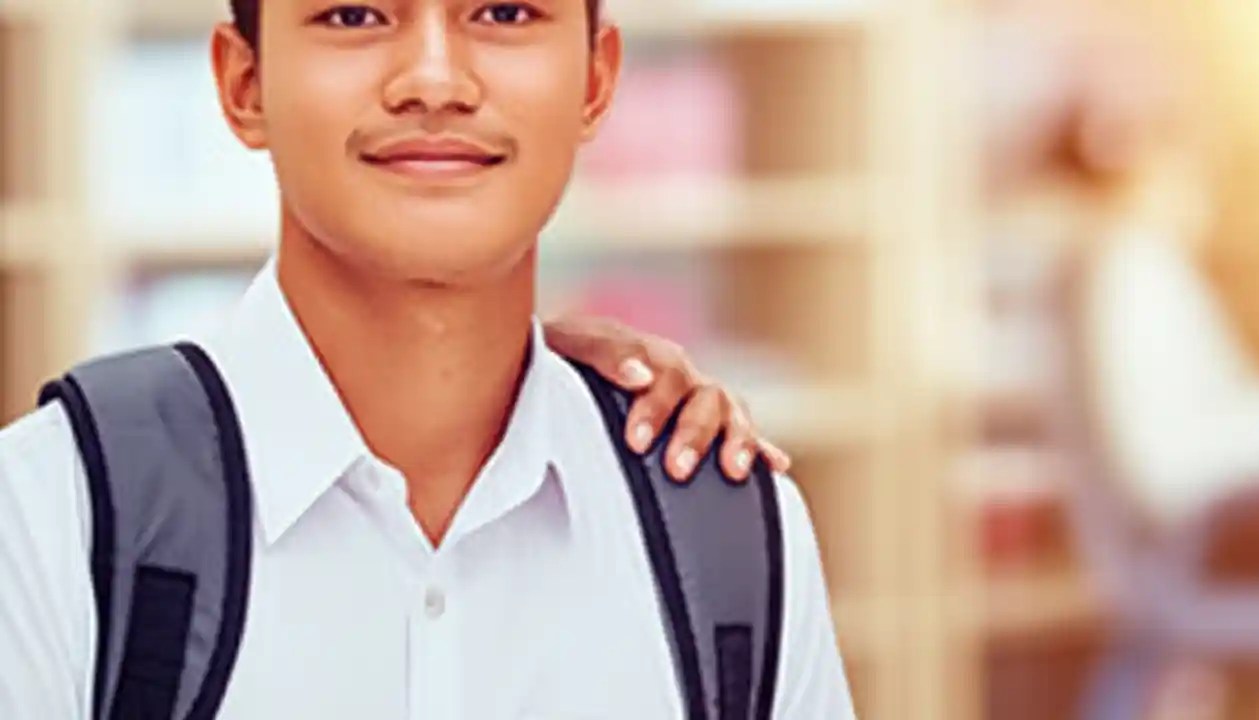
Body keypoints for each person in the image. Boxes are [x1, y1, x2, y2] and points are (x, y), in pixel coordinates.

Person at [0, 1, 855, 718]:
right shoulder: (48, 518)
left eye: (504, 11)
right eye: (355, 13)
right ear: (244, 84)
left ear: (595, 81)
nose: (435, 82)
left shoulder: (732, 534)